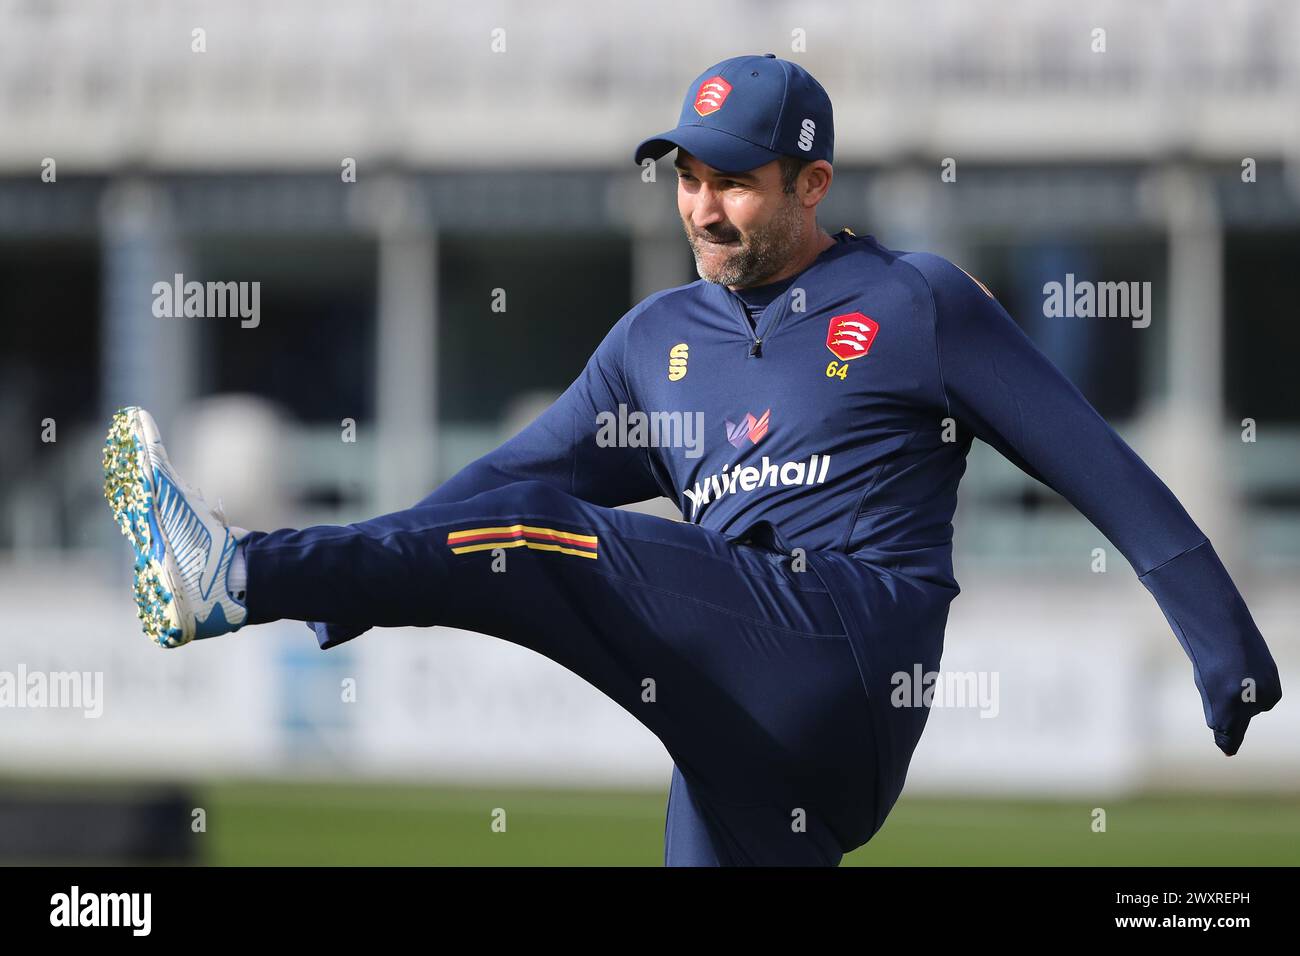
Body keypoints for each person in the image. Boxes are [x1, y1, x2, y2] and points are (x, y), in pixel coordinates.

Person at [102, 54, 1281, 866]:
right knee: (535, 524)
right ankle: (259, 582)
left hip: (849, 652)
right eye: (686, 177)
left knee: (561, 548)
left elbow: (1101, 468)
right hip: (737, 720)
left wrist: (1220, 640)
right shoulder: (650, 343)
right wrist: (351, 593)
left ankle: (235, 574)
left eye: (733, 181)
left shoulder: (918, 300)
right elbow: (505, 487)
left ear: (812, 185)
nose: (704, 207)